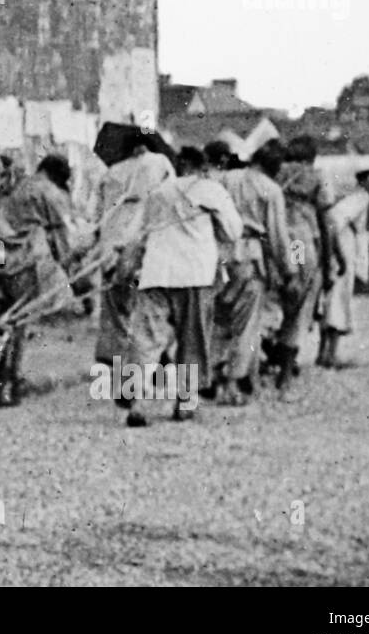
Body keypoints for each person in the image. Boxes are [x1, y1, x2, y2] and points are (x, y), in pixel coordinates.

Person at [126, 146, 242, 426]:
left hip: (156, 272)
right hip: (195, 273)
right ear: (201, 168)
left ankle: (138, 402)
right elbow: (233, 230)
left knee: (147, 338)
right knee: (193, 339)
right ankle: (185, 403)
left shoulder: (157, 192)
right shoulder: (210, 190)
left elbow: (136, 233)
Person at [0, 154, 80, 407]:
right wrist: (71, 272)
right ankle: (4, 387)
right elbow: (63, 238)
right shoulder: (47, 192)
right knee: (15, 324)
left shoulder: (12, 185)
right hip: (19, 263)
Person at [209, 141, 297, 405]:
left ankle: (212, 375)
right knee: (246, 323)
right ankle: (233, 383)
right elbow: (279, 236)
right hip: (249, 253)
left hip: (217, 252)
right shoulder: (270, 190)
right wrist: (288, 269)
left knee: (218, 319)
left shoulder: (224, 178)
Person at [94, 131, 176, 376]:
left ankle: (116, 361)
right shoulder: (159, 163)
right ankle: (151, 360)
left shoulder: (111, 172)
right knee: (146, 310)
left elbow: (97, 212)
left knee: (115, 308)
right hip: (142, 243)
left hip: (111, 245)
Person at [270, 136, 336, 389]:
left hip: (272, 242)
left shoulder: (273, 174)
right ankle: (284, 374)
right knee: (298, 307)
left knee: (269, 306)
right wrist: (328, 265)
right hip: (299, 243)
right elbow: (326, 224)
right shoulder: (317, 177)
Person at [319, 169, 369, 367]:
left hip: (342, 247)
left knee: (333, 301)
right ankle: (329, 355)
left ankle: (324, 353)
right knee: (338, 302)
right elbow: (334, 220)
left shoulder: (356, 198)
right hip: (344, 248)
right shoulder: (360, 198)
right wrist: (339, 253)